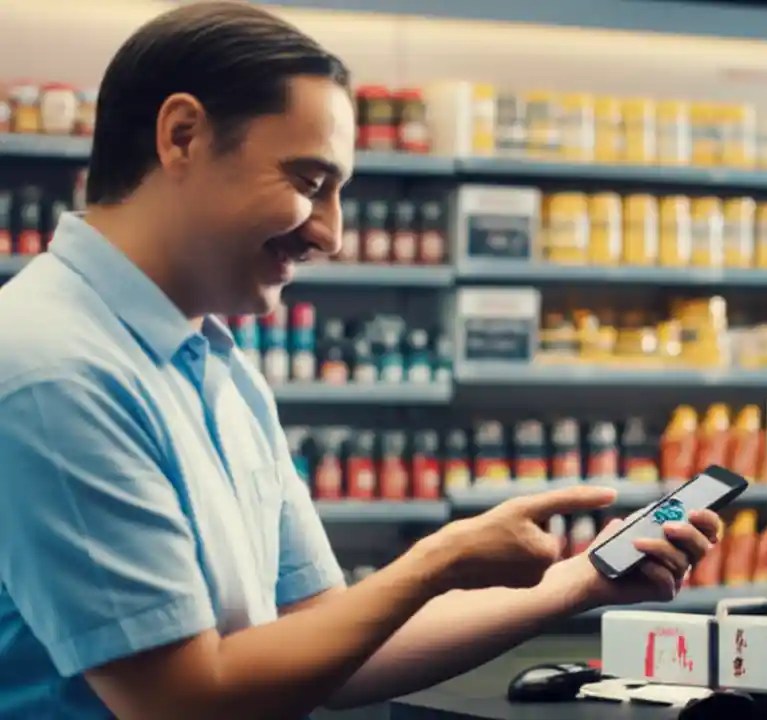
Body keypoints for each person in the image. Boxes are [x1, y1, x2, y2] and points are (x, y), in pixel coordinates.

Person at [0, 4, 720, 718]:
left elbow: (329, 645)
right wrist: (439, 562)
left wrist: (576, 583)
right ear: (182, 136)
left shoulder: (216, 367)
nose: (333, 234)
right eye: (310, 184)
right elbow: (185, 702)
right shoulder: (54, 370)